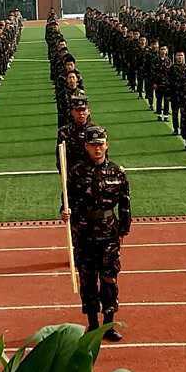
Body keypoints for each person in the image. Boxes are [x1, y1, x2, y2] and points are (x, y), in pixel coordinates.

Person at [61, 126, 130, 341]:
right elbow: (66, 200)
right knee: (88, 280)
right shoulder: (76, 172)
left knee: (109, 279)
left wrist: (123, 230)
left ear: (106, 145)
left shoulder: (117, 172)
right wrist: (64, 212)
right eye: (93, 145)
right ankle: (92, 324)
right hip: (84, 232)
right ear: (86, 147)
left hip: (109, 233)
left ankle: (108, 325)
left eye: (100, 144)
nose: (97, 148)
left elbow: (125, 205)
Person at [56, 93, 97, 172]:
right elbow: (60, 159)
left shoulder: (96, 131)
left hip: (92, 175)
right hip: (72, 176)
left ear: (88, 111)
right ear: (72, 112)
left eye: (83, 110)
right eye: (77, 110)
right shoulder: (64, 132)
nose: (81, 113)